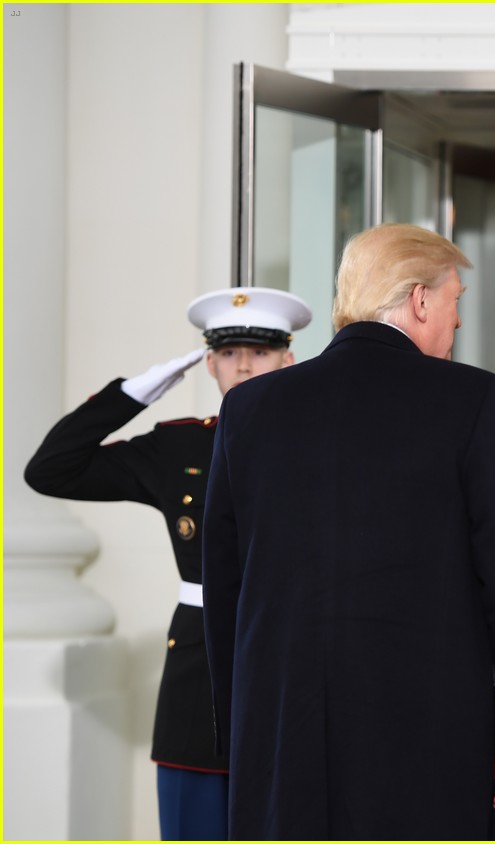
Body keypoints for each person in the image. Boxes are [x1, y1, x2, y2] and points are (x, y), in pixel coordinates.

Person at [202, 223, 495, 840]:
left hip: (284, 733)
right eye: (455, 300)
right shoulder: (475, 399)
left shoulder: (248, 407)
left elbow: (225, 587)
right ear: (420, 299)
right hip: (428, 731)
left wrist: (243, 736)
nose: (457, 320)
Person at [24, 286, 311, 840]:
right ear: (209, 363)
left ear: (288, 359)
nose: (244, 365)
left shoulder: (319, 443)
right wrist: (135, 393)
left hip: (289, 658)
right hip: (198, 670)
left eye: (261, 351)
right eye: (228, 352)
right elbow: (50, 470)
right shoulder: (177, 448)